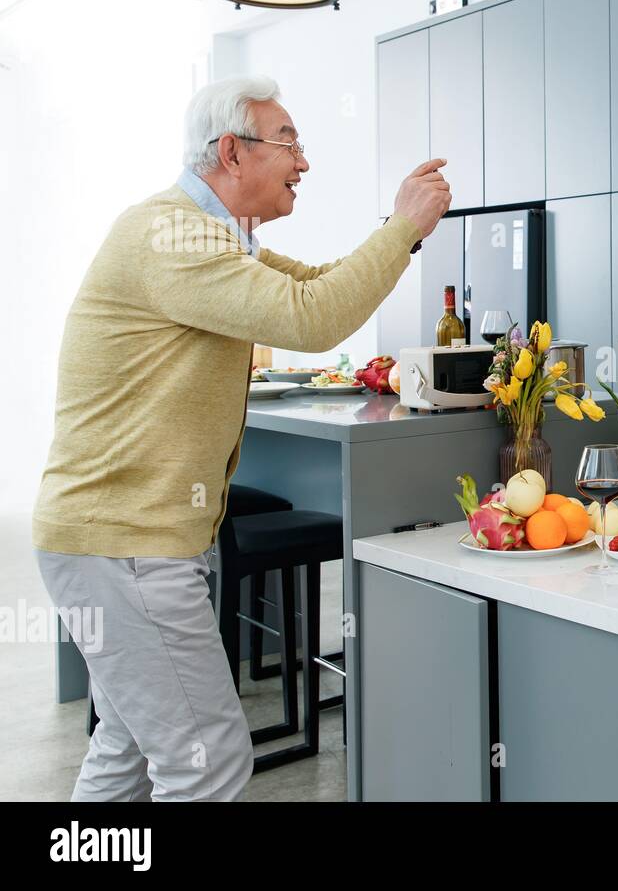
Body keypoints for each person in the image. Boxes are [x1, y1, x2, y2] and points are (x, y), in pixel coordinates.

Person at [31, 76, 452, 800]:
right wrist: (402, 229)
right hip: (126, 544)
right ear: (231, 151)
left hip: (117, 541)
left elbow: (319, 283)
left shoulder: (217, 238)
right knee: (209, 762)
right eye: (289, 141)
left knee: (128, 746)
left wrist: (397, 230)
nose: (304, 162)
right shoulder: (169, 234)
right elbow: (312, 317)